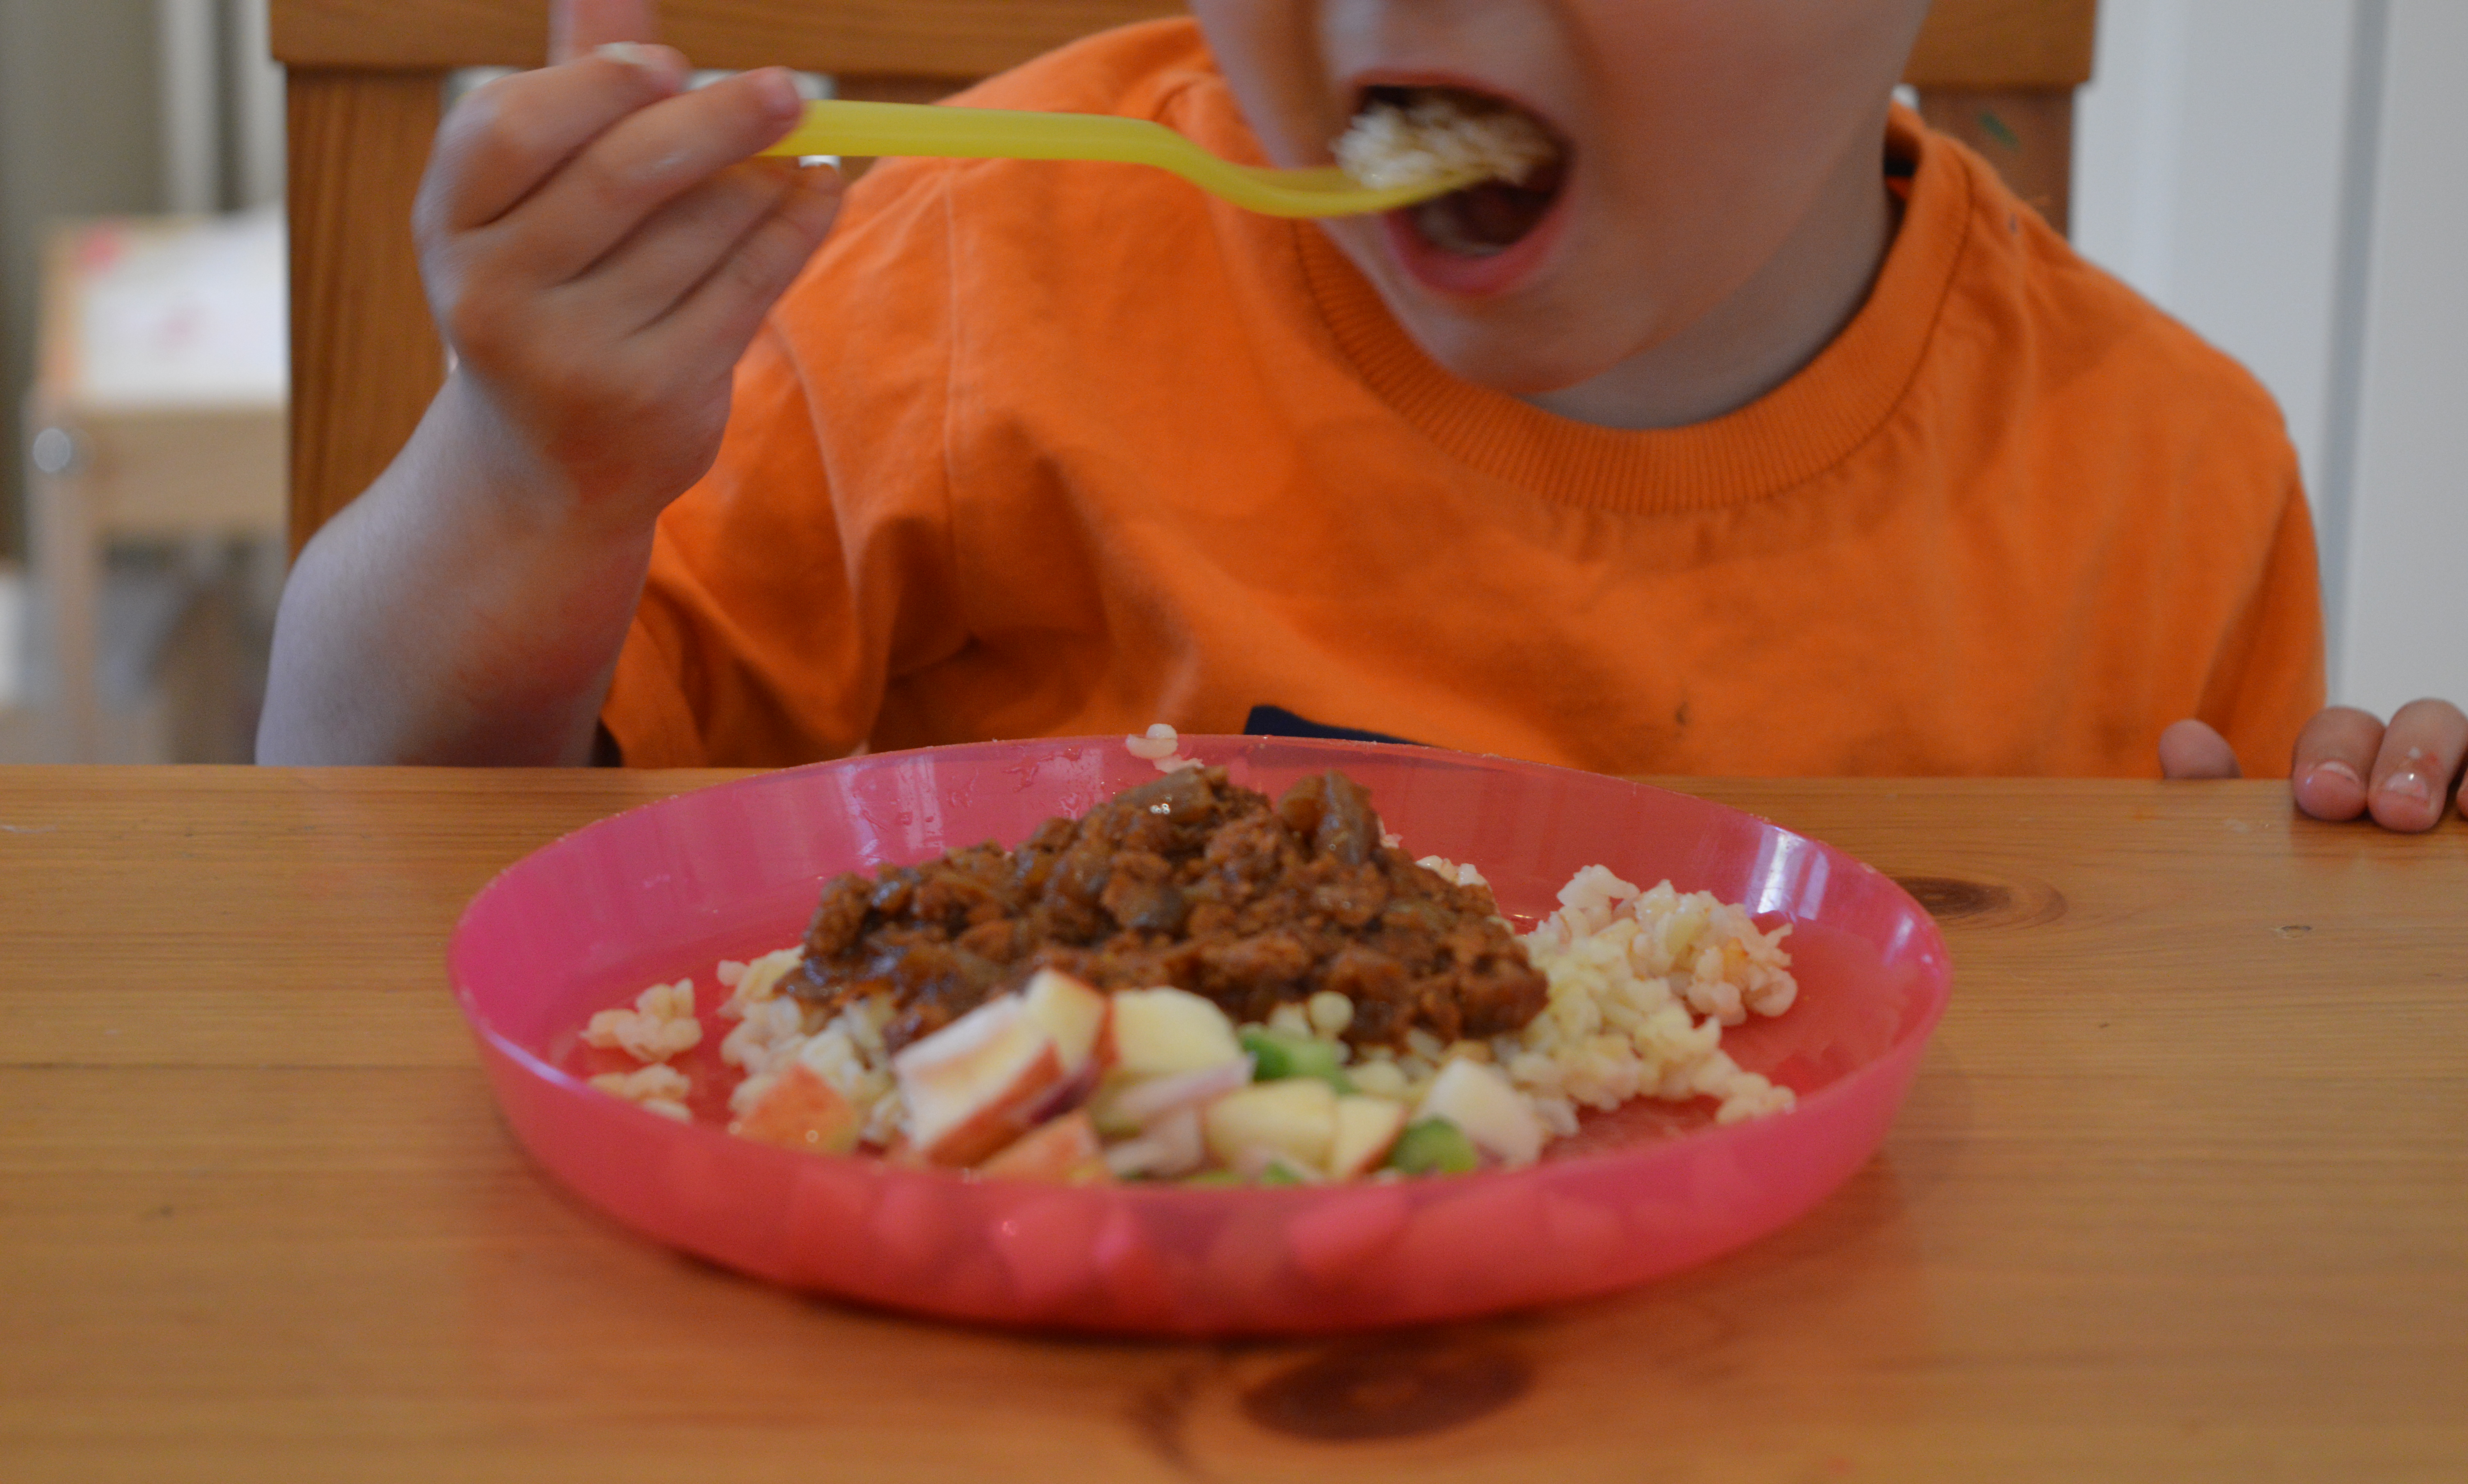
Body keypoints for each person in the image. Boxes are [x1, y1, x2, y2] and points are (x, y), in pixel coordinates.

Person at [255, 0, 2468, 832]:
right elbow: (354, 832)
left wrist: (2362, 893)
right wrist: (529, 481)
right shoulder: (952, 284)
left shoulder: (2168, 485)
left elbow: (2192, 1152)